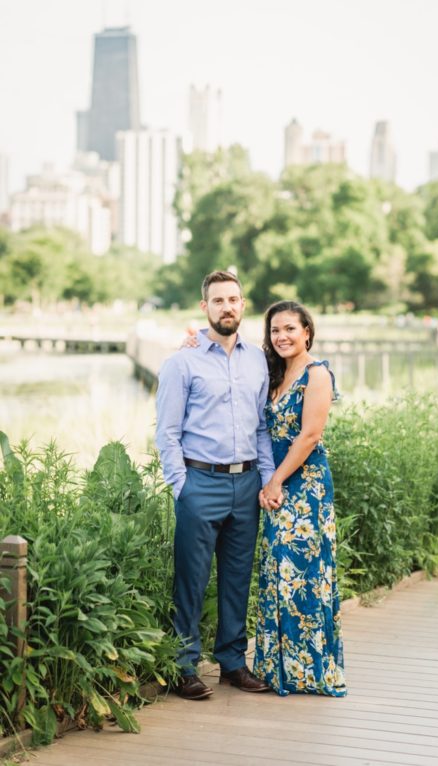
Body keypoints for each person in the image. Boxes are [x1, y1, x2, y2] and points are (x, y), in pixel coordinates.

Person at [155, 270, 275, 699]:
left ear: (243, 306)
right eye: (219, 300)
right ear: (204, 307)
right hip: (199, 483)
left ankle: (231, 662)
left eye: (234, 299)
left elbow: (262, 427)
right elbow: (166, 431)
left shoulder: (257, 359)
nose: (227, 306)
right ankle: (184, 665)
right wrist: (180, 486)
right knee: (191, 578)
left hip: (247, 484)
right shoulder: (181, 361)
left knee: (238, 577)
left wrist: (264, 476)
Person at [250, 300, 347, 696]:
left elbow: (309, 436)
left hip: (304, 487)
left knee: (304, 575)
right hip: (275, 484)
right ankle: (277, 670)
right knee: (277, 572)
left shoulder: (316, 374)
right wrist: (192, 341)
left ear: (307, 331)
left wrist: (275, 482)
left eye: (290, 328)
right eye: (275, 330)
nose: (282, 336)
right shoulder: (273, 371)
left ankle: (309, 671)